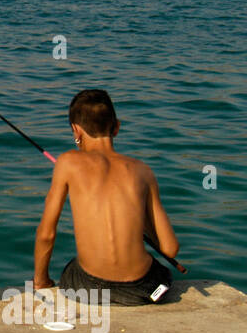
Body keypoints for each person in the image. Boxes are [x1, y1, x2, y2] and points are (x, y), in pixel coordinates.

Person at [33, 89, 178, 304]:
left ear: (76, 131)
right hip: (143, 289)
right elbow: (169, 249)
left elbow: (46, 234)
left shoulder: (67, 163)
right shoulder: (143, 171)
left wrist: (41, 281)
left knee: (72, 267)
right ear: (117, 127)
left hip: (88, 286)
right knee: (162, 275)